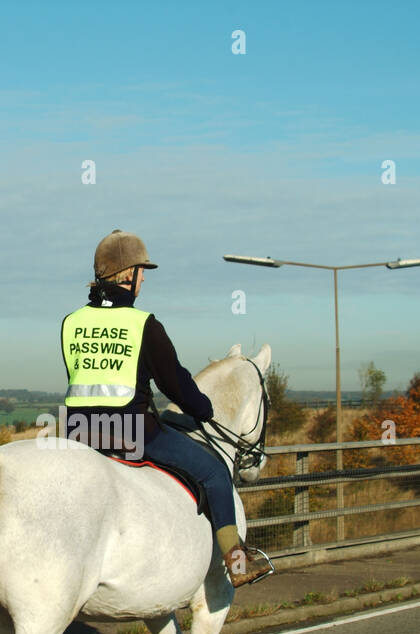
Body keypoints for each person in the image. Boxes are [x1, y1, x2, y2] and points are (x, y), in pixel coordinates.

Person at [61, 229, 272, 587]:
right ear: (129, 275)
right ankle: (237, 563)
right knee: (214, 473)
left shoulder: (72, 322)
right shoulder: (144, 325)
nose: (144, 279)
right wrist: (203, 408)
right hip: (133, 434)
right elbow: (173, 382)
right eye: (142, 271)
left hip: (78, 433)